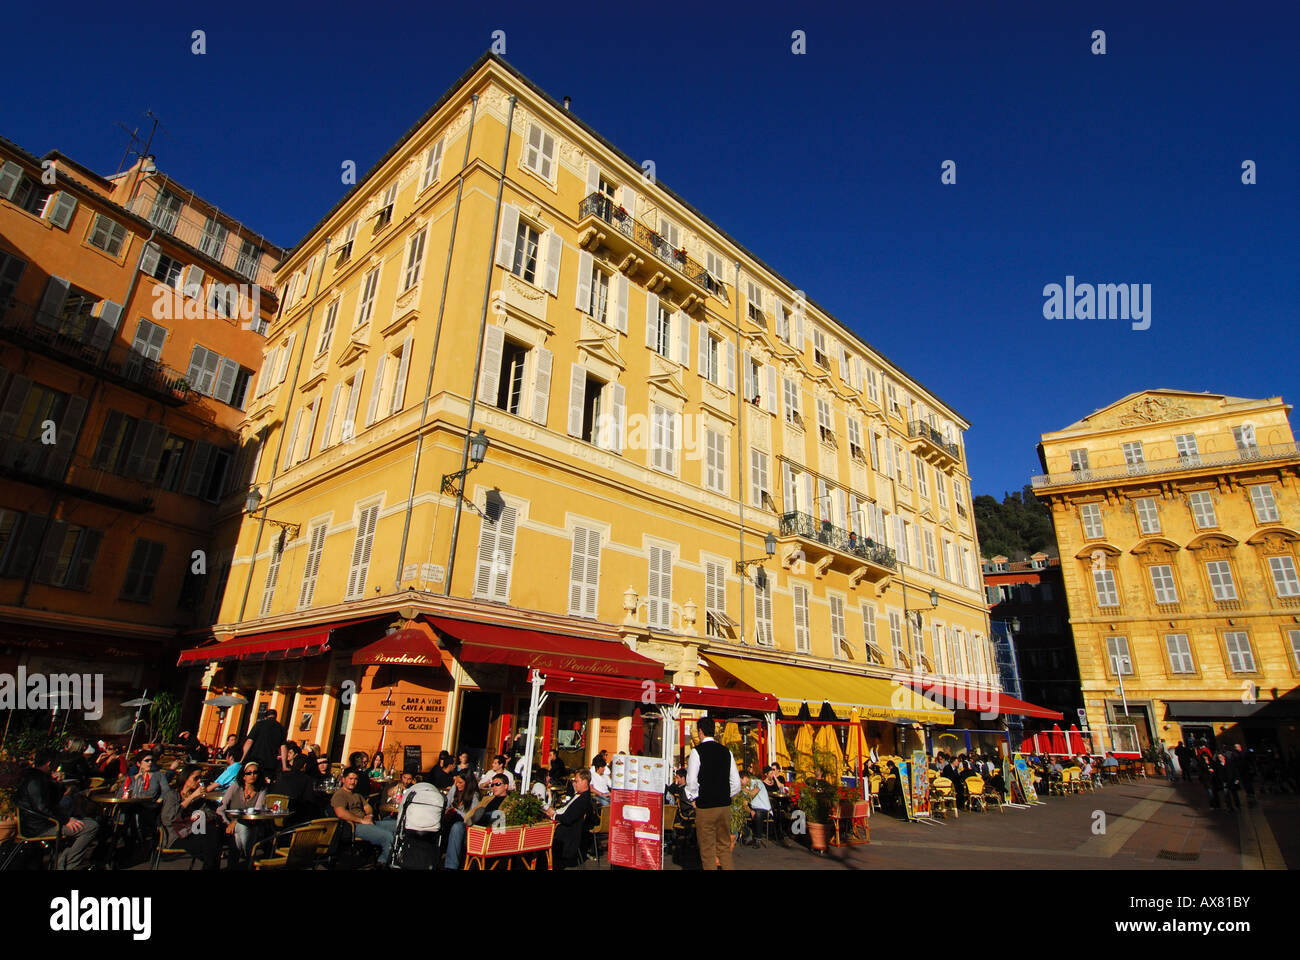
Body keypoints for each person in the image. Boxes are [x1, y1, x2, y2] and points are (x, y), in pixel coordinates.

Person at [17, 749, 100, 869]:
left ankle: (65, 860)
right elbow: (43, 808)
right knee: (91, 827)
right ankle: (69, 864)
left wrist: (57, 785)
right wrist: (66, 820)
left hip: (37, 823)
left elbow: (51, 802)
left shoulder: (33, 777)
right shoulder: (36, 780)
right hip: (41, 826)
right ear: (49, 764)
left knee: (86, 822)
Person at [685, 717, 741, 870]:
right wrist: (725, 795)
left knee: (708, 850)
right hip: (724, 806)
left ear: (701, 732)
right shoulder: (726, 752)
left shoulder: (697, 752)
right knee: (724, 847)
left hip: (706, 806)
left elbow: (691, 781)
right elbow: (736, 783)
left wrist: (693, 798)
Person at [161, 765, 224, 870]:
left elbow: (211, 813)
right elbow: (168, 818)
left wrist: (201, 813)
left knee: (214, 836)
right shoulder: (173, 795)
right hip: (177, 835)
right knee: (212, 845)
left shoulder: (198, 797)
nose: (199, 781)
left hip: (196, 831)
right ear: (186, 778)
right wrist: (191, 798)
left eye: (200, 778)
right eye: (196, 778)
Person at [331, 768, 397, 866]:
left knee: (398, 825)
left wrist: (369, 815)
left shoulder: (356, 794)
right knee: (388, 837)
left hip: (367, 822)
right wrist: (361, 820)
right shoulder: (340, 795)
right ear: (343, 780)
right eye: (350, 778)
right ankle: (383, 863)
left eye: (355, 779)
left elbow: (368, 807)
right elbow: (340, 813)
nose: (353, 782)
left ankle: (390, 858)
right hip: (354, 826)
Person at [443, 774, 508, 869]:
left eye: (497, 784)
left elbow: (506, 819)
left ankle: (482, 818)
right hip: (474, 830)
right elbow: (470, 814)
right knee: (457, 826)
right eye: (492, 785)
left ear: (506, 786)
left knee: (496, 813)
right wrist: (470, 820)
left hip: (491, 831)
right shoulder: (486, 799)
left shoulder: (510, 802)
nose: (494, 787)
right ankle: (450, 866)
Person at [218, 761, 269, 867]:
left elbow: (256, 811)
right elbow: (220, 809)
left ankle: (236, 863)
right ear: (243, 776)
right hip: (229, 824)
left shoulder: (261, 789)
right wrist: (228, 823)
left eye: (255, 772)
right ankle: (248, 856)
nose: (252, 775)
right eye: (248, 773)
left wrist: (236, 821)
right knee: (240, 829)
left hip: (251, 824)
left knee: (238, 834)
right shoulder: (236, 786)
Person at [545, 769, 594, 869]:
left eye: (576, 781)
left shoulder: (583, 799)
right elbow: (566, 809)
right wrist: (554, 811)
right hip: (562, 821)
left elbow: (568, 819)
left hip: (567, 832)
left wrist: (553, 815)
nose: (574, 784)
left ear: (585, 782)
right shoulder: (578, 795)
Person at [391, 780, 444, 870]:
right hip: (431, 833)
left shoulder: (411, 795)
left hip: (410, 829)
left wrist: (399, 831)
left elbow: (401, 817)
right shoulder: (437, 798)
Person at [241, 708, 287, 780]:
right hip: (270, 763)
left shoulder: (259, 725)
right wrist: (284, 765)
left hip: (255, 760)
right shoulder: (281, 728)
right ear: (275, 717)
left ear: (265, 717)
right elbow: (283, 747)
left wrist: (242, 758)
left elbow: (249, 741)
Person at [742, 771, 771, 845]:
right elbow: (745, 803)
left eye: (741, 780)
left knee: (758, 814)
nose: (741, 783)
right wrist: (750, 811)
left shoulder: (757, 782)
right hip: (753, 808)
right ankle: (748, 835)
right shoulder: (746, 788)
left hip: (763, 808)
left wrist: (741, 789)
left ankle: (758, 839)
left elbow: (752, 793)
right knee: (740, 814)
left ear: (745, 778)